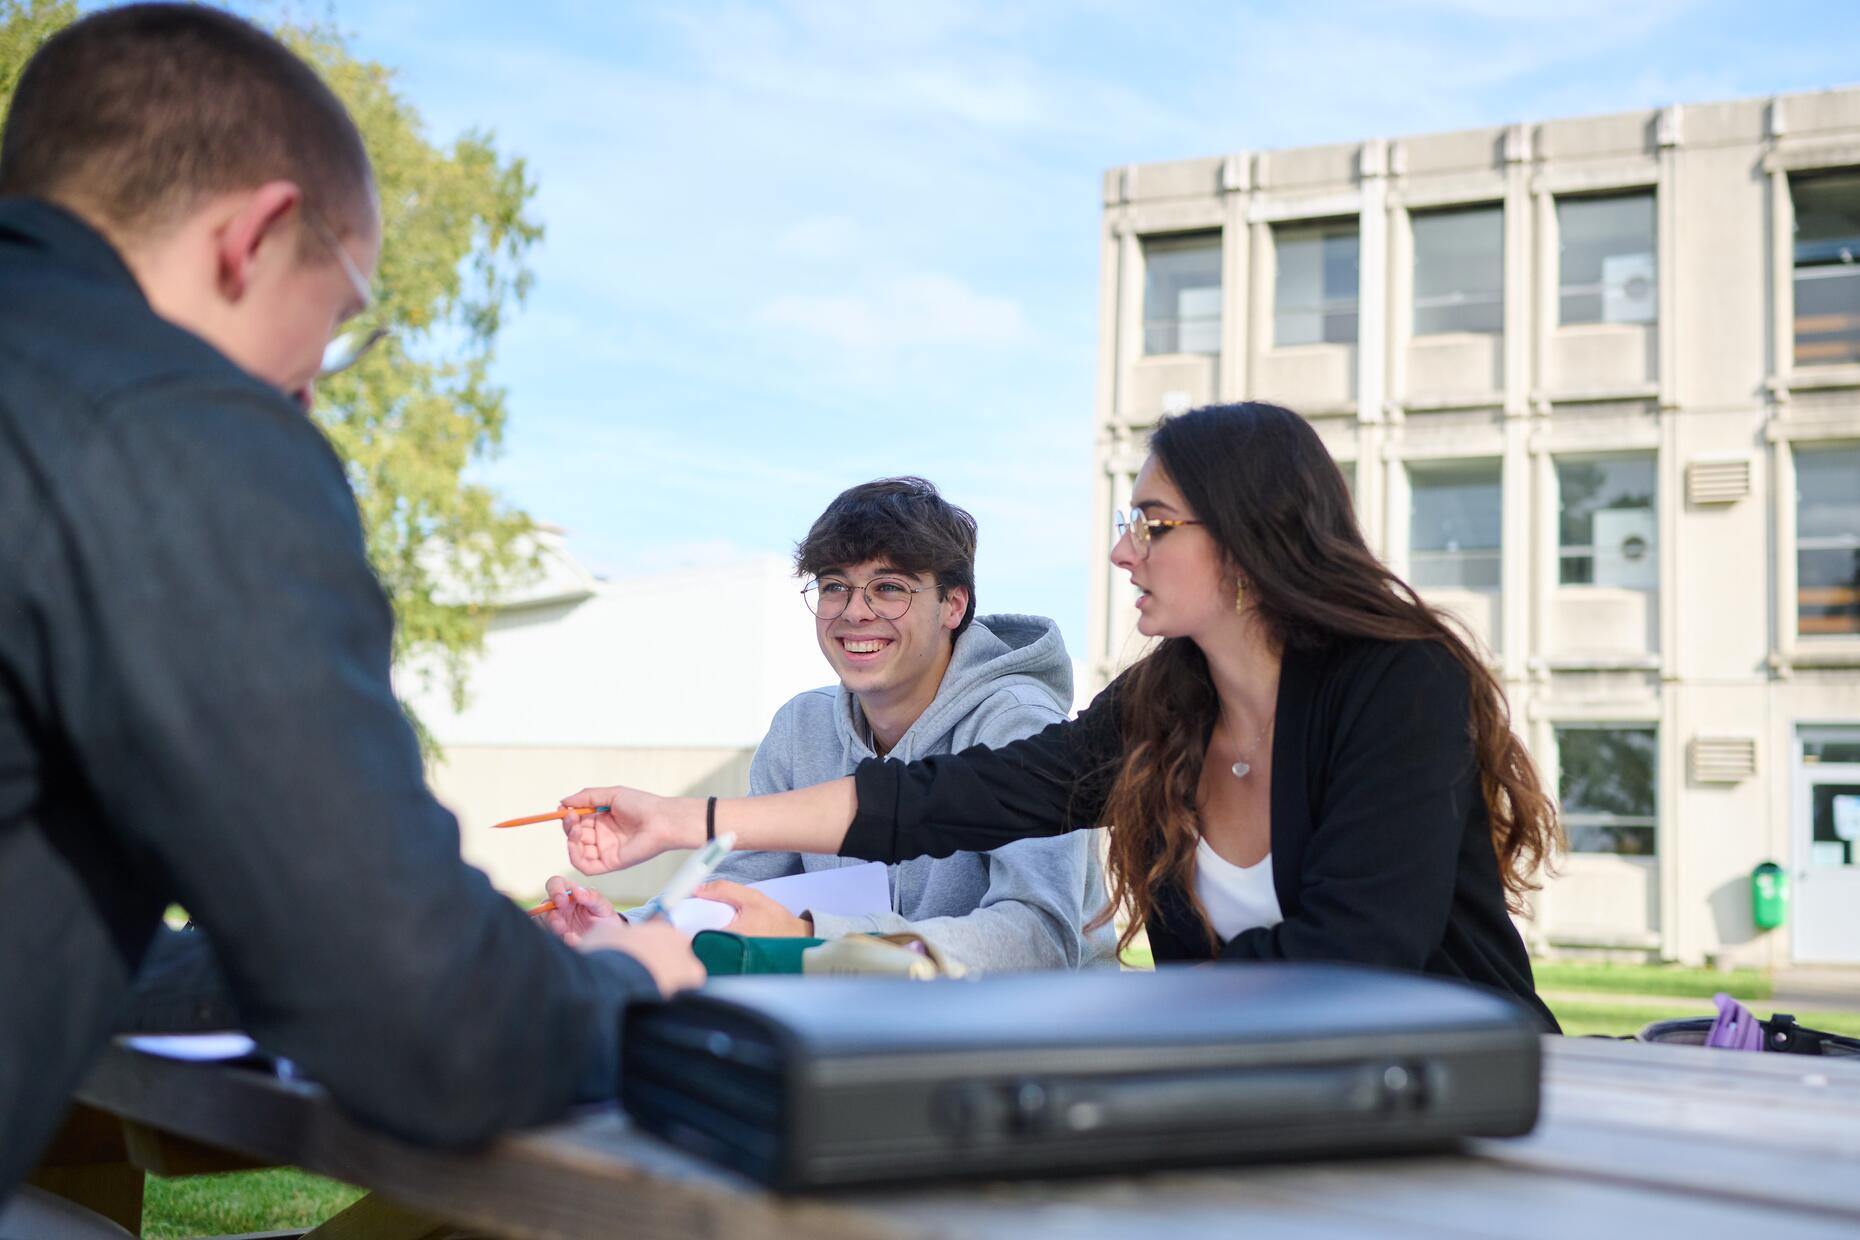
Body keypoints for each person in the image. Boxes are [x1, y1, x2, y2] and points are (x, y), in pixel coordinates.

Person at [0, 3, 699, 1210]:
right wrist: (634, 980)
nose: (310, 392)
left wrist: (262, 960)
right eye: (336, 312)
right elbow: (434, 1029)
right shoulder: (179, 430)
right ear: (256, 236)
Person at [554, 403, 1563, 1028]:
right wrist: (689, 823)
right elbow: (950, 800)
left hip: (1469, 1094)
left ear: (1255, 538)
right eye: (1131, 526)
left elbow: (1357, 955)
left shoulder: (1398, 685)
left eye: (1152, 525)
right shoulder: (1164, 706)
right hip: (1263, 1093)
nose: (1125, 552)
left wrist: (1112, 1007)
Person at [548, 478, 1112, 971]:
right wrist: (630, 930)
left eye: (889, 587)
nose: (854, 611)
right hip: (864, 1024)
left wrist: (815, 934)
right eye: (834, 586)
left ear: (953, 605)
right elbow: (746, 884)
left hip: (1029, 1044)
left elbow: (1042, 939)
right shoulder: (801, 726)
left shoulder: (1018, 723)